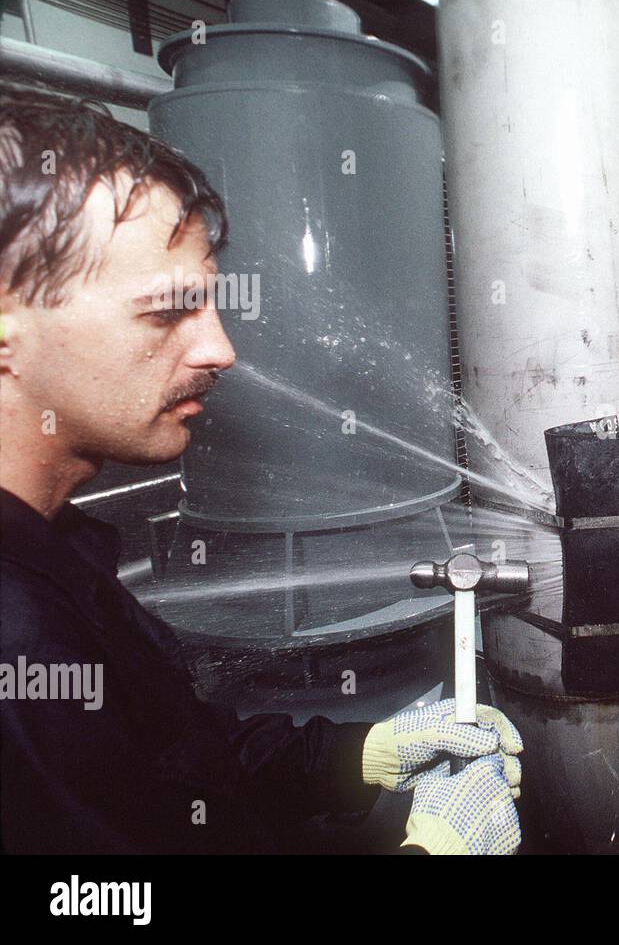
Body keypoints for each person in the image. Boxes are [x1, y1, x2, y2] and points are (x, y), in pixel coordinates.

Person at [0, 84, 522, 855]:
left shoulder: (59, 555)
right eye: (167, 310)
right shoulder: (18, 637)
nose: (220, 349)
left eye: (210, 304)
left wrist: (361, 754)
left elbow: (183, 775)